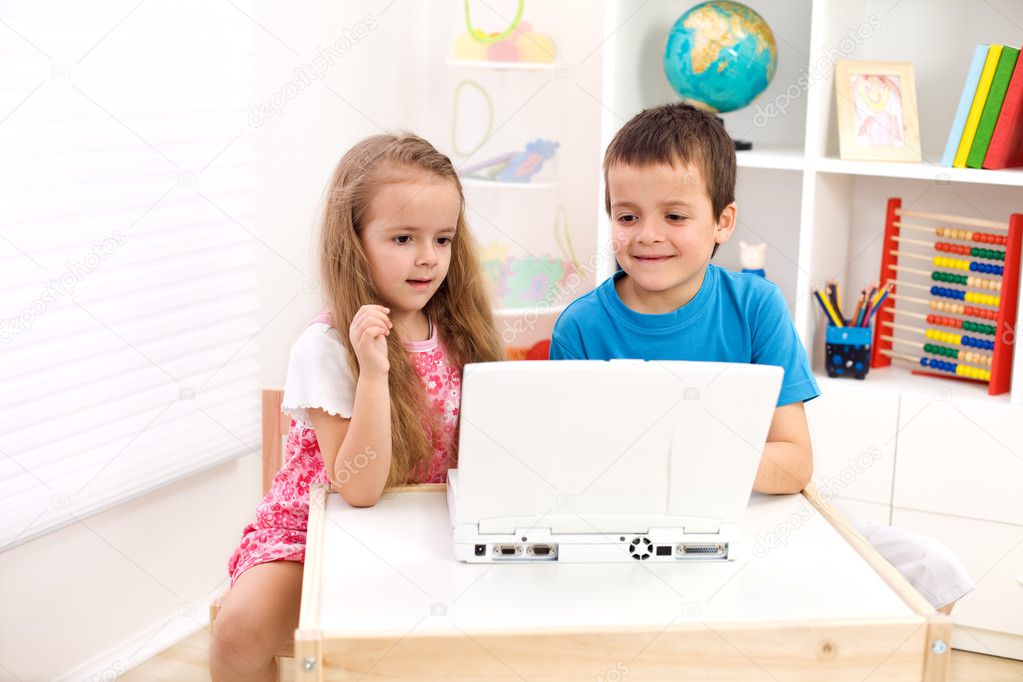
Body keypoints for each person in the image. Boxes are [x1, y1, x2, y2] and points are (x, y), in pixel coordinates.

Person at [550, 102, 973, 612]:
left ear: (723, 221)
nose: (647, 235)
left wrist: (687, 455)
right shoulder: (580, 328)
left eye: (675, 215)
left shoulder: (756, 307)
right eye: (627, 216)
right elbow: (575, 473)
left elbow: (794, 464)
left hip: (755, 516)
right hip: (636, 536)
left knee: (933, 567)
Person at [210, 133, 503, 681]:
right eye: (402, 238)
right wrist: (373, 373)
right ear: (354, 241)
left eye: (442, 239)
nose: (427, 258)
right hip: (322, 524)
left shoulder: (459, 329)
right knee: (237, 630)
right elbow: (360, 491)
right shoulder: (326, 346)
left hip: (429, 519)